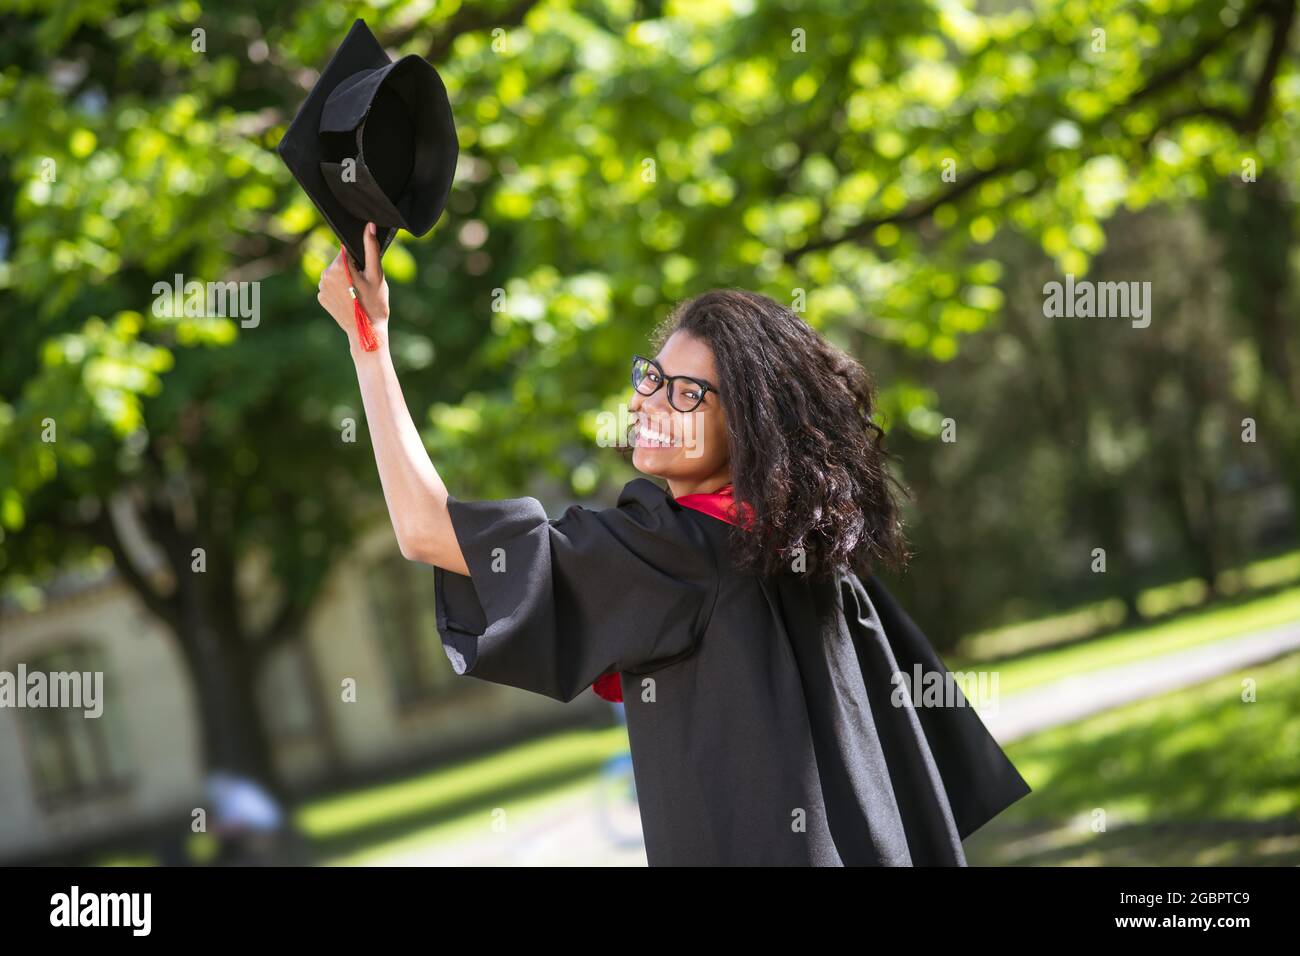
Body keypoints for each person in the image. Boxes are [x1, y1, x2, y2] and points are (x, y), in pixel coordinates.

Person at [316, 223, 1031, 865]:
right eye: (651, 377)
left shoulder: (682, 552)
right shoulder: (809, 552)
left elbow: (425, 530)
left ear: (750, 422)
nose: (647, 404)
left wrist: (369, 346)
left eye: (686, 395)